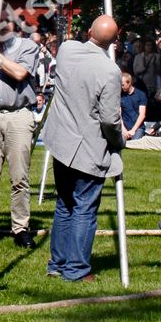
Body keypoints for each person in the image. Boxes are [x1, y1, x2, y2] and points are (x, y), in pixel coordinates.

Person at [42, 15, 123, 281]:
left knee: (65, 204)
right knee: (84, 208)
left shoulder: (67, 50)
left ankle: (57, 264)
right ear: (115, 41)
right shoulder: (110, 71)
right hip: (87, 149)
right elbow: (110, 119)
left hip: (61, 143)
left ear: (88, 31)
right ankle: (76, 269)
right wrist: (119, 141)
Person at [0, 17, 42, 249]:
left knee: (19, 175)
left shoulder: (27, 46)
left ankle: (21, 227)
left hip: (18, 115)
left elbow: (20, 73)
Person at [120, 69, 148, 142]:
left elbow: (142, 114)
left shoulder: (141, 94)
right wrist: (124, 130)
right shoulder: (120, 95)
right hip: (124, 127)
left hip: (137, 127)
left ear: (129, 83)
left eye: (123, 85)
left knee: (135, 143)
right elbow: (118, 114)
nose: (121, 87)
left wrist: (133, 130)